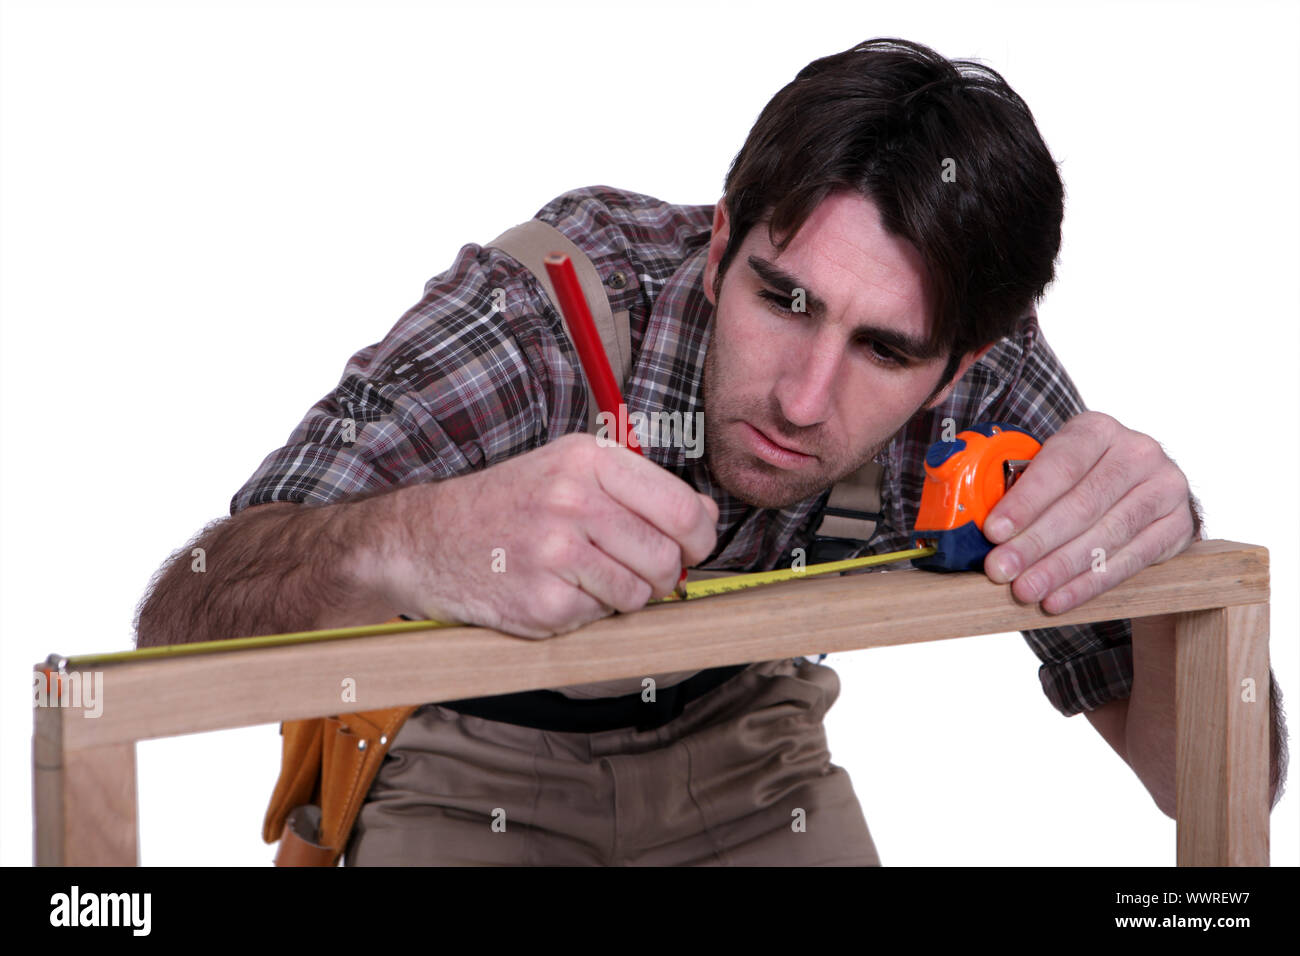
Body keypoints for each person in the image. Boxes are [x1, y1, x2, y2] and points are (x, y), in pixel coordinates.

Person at [134, 37, 1284, 865]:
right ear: (724, 235)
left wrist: (1156, 569)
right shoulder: (551, 309)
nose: (802, 396)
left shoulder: (985, 384)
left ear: (961, 356)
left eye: (883, 349)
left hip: (751, 757)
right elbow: (180, 615)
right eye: (783, 299)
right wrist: (415, 539)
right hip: (472, 761)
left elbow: (1214, 788)